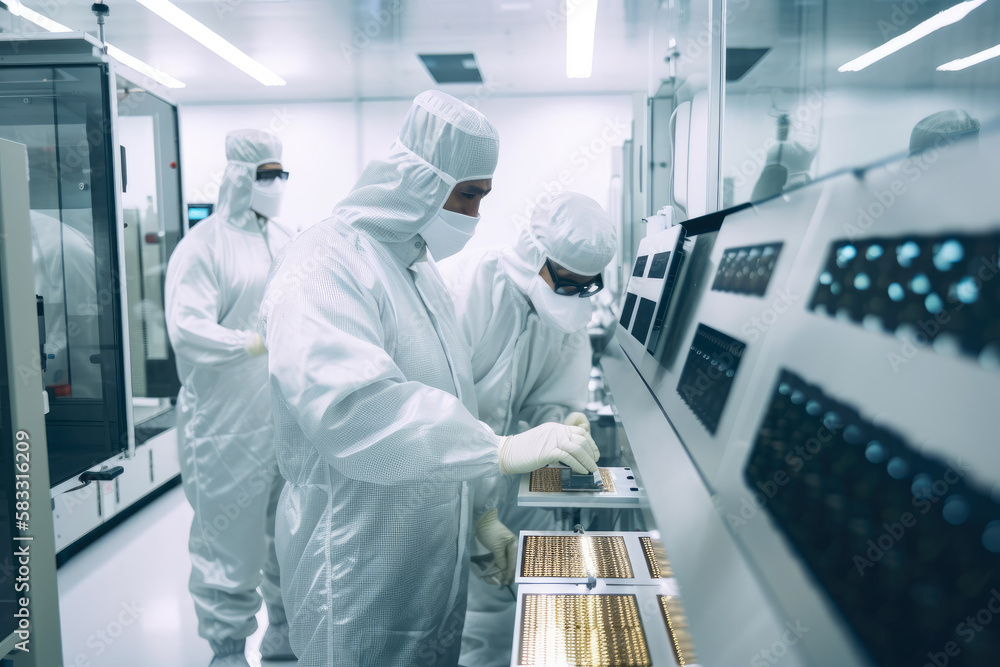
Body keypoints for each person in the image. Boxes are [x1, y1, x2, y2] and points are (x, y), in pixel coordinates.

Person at [257, 90, 599, 667]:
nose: (474, 216)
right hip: (357, 568)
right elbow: (351, 412)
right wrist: (498, 449)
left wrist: (480, 514)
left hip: (429, 566)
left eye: (481, 198)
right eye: (468, 195)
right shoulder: (325, 261)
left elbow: (455, 400)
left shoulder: (418, 271)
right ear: (418, 180)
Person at [443, 191, 617, 667]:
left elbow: (548, 400)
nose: (575, 294)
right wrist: (478, 518)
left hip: (502, 481)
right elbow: (442, 420)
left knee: (513, 607)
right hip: (446, 485)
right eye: (567, 282)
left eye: (588, 286)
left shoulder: (565, 310)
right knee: (468, 616)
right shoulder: (468, 289)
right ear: (534, 255)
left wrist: (562, 423)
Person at [164, 129, 294, 667]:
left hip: (283, 420)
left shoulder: (284, 238)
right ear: (240, 176)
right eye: (266, 174)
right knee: (229, 545)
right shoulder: (203, 246)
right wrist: (250, 343)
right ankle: (227, 649)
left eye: (281, 174)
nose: (276, 184)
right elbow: (186, 328)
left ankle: (285, 637)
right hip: (224, 427)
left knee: (288, 536)